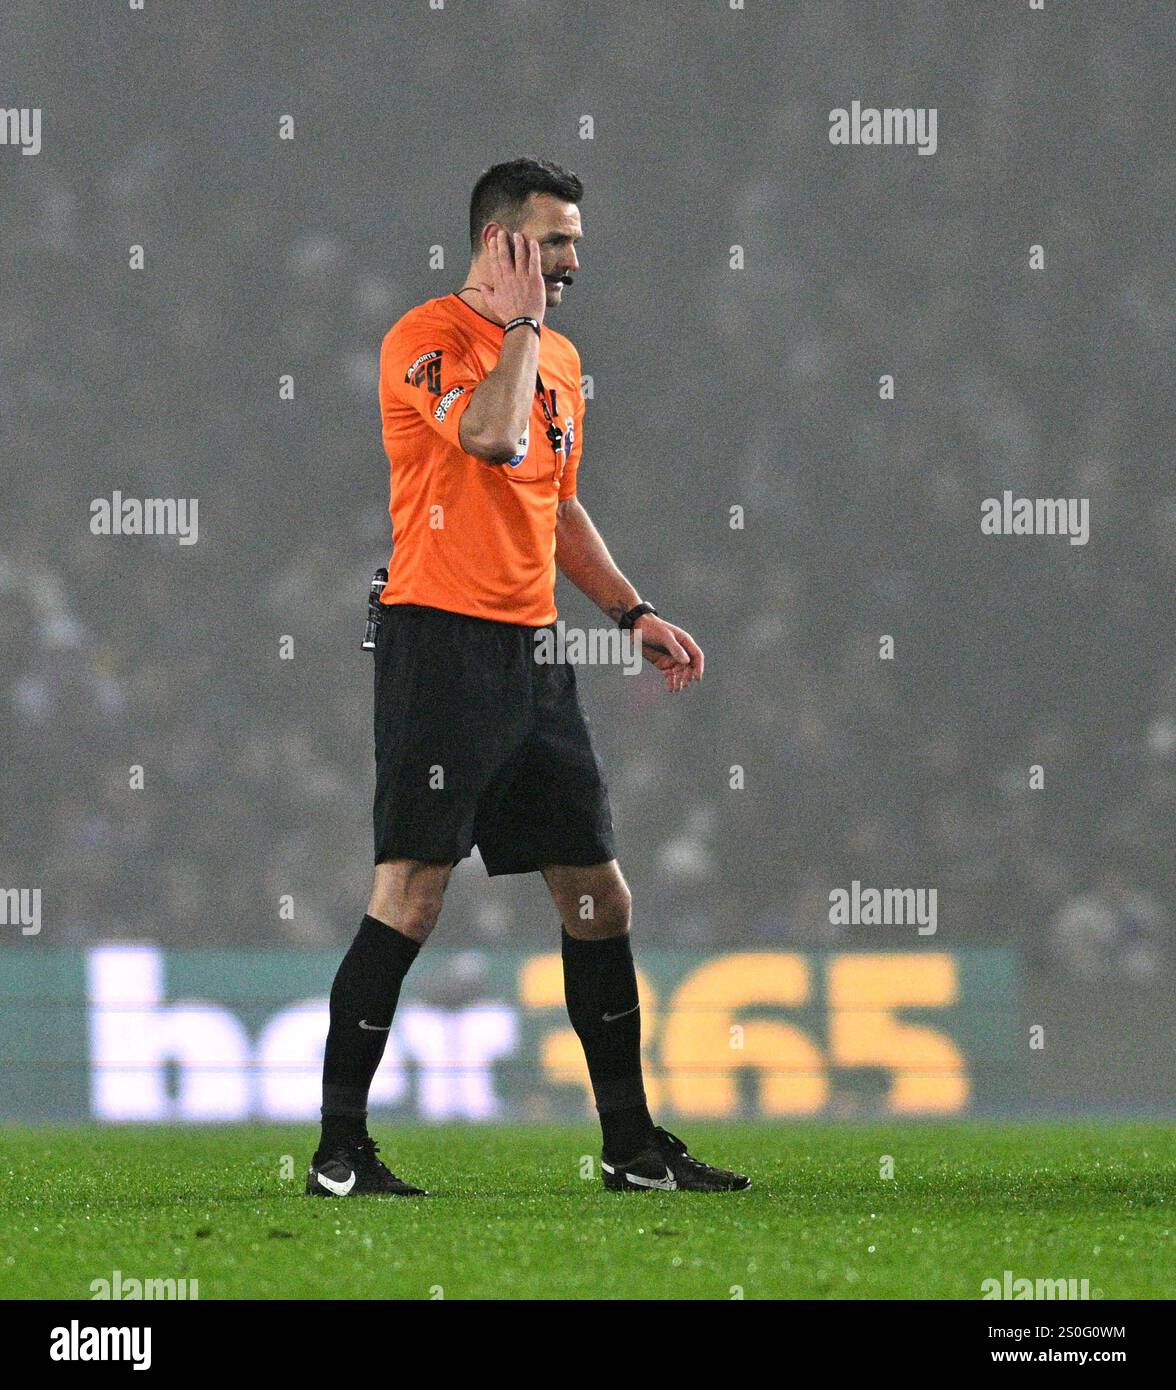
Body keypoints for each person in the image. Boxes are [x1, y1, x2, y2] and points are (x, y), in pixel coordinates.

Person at [307, 158, 749, 1196]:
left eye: (577, 244)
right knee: (412, 895)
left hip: (532, 648)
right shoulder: (426, 340)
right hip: (438, 642)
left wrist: (630, 610)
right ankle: (340, 1151)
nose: (573, 262)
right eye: (555, 243)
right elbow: (490, 437)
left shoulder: (555, 356)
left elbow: (553, 499)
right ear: (500, 242)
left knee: (599, 894)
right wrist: (514, 330)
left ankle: (631, 1147)